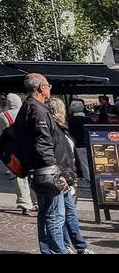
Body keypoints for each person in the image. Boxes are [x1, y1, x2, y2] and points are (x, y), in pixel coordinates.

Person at [13, 73, 70, 255]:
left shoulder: (29, 108)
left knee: (46, 215)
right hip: (47, 172)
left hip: (39, 170)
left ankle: (49, 251)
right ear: (41, 88)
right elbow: (43, 143)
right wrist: (56, 172)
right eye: (48, 85)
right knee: (55, 216)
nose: (50, 88)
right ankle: (57, 252)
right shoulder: (37, 110)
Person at [49, 96, 92, 254]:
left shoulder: (64, 127)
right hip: (60, 177)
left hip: (69, 176)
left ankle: (80, 246)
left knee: (70, 213)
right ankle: (66, 246)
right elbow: (58, 155)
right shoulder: (53, 129)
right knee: (61, 215)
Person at [0, 93, 34, 215]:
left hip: (14, 150)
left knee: (19, 176)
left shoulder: (4, 115)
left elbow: (0, 136)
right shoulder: (27, 112)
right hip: (29, 148)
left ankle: (25, 203)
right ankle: (36, 202)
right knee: (32, 175)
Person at [67, 99, 92, 192]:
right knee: (88, 164)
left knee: (83, 164)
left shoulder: (70, 121)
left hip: (77, 144)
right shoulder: (88, 120)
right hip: (88, 143)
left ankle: (87, 180)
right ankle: (90, 180)